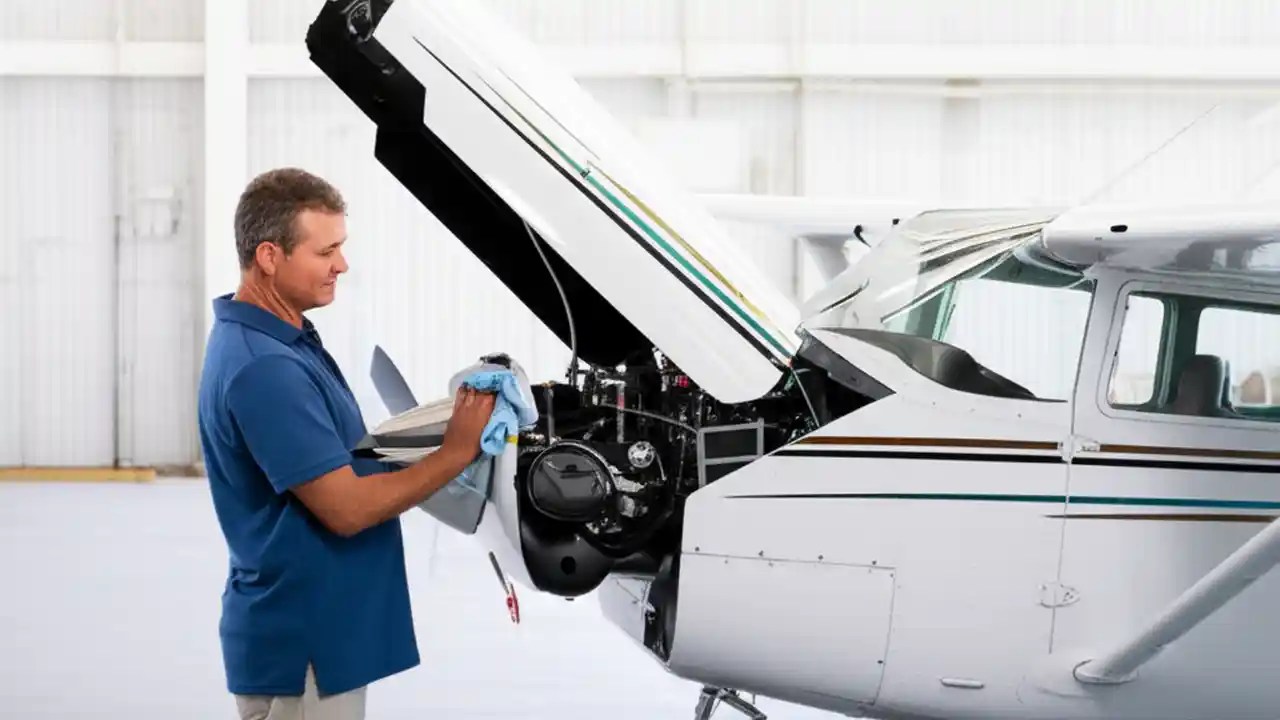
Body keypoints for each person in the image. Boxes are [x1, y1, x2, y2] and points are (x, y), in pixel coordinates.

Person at [197, 167, 495, 720]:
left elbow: (342, 457)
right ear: (269, 256)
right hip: (303, 648)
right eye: (326, 250)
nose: (342, 265)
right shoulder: (265, 369)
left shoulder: (282, 339)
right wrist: (454, 452)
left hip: (315, 630)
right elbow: (346, 509)